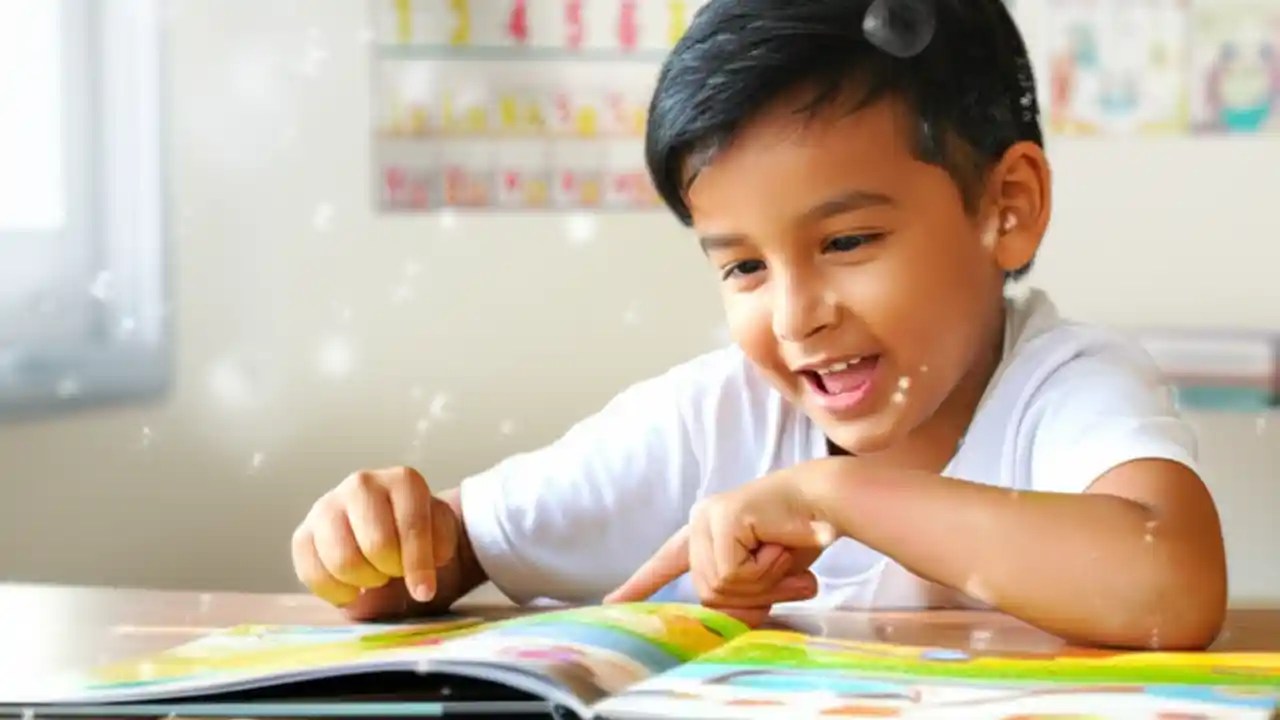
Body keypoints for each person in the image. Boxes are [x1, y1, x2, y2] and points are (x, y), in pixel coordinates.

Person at [290, 0, 1228, 650]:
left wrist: (834, 496)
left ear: (1006, 207)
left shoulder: (1067, 386)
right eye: (743, 265)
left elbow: (1169, 587)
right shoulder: (711, 417)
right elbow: (432, 564)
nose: (796, 315)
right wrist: (377, 539)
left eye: (849, 239)